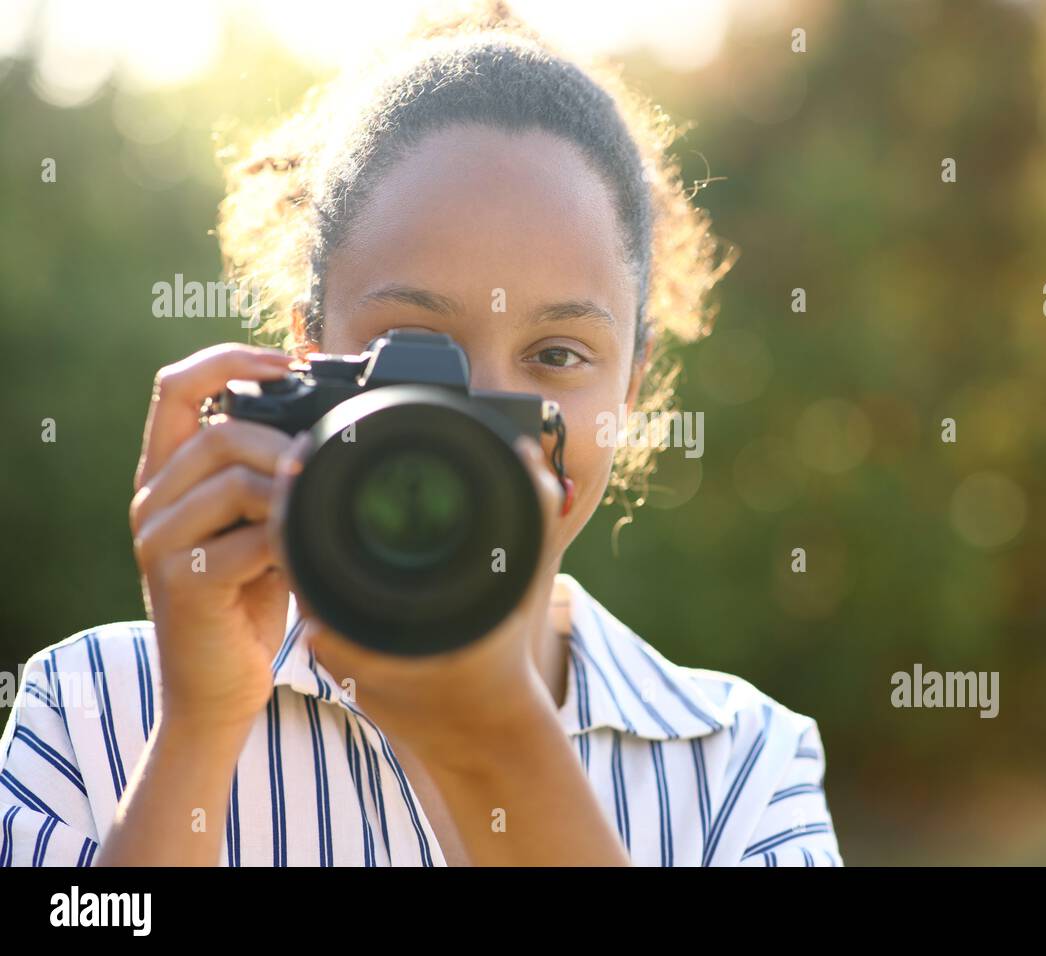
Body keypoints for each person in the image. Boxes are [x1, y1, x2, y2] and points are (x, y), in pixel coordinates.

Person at [0, 3, 843, 867]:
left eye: (556, 353)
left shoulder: (742, 766)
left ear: (629, 384)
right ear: (308, 353)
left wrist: (506, 747)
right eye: (419, 352)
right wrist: (199, 728)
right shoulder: (92, 712)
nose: (476, 416)